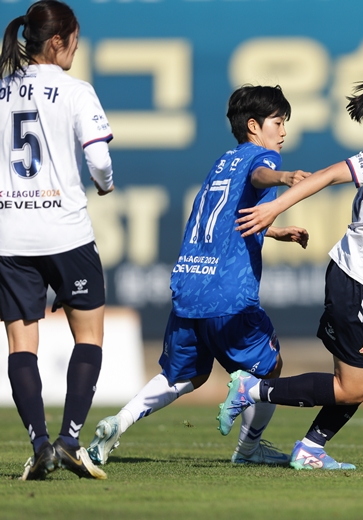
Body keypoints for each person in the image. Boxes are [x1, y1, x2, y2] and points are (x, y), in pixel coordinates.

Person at [214, 74, 363, 470]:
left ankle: (311, 448)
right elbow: (329, 175)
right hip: (356, 277)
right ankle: (252, 389)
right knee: (352, 385)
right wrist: (275, 208)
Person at [86, 85, 310, 468]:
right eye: (278, 122)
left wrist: (274, 231)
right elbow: (260, 176)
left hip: (190, 286)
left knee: (185, 375)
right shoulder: (262, 159)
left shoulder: (221, 163)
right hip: (228, 295)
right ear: (254, 126)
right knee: (269, 368)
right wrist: (286, 176)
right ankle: (249, 447)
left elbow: (218, 219)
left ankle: (117, 423)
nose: (284, 131)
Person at [0, 0, 114, 481]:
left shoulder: (2, 89)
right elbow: (100, 162)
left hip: (11, 235)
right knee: (88, 336)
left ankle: (39, 443)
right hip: (66, 232)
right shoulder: (76, 90)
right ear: (57, 42)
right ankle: (69, 439)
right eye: (74, 41)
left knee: (21, 346)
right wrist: (105, 186)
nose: (75, 49)